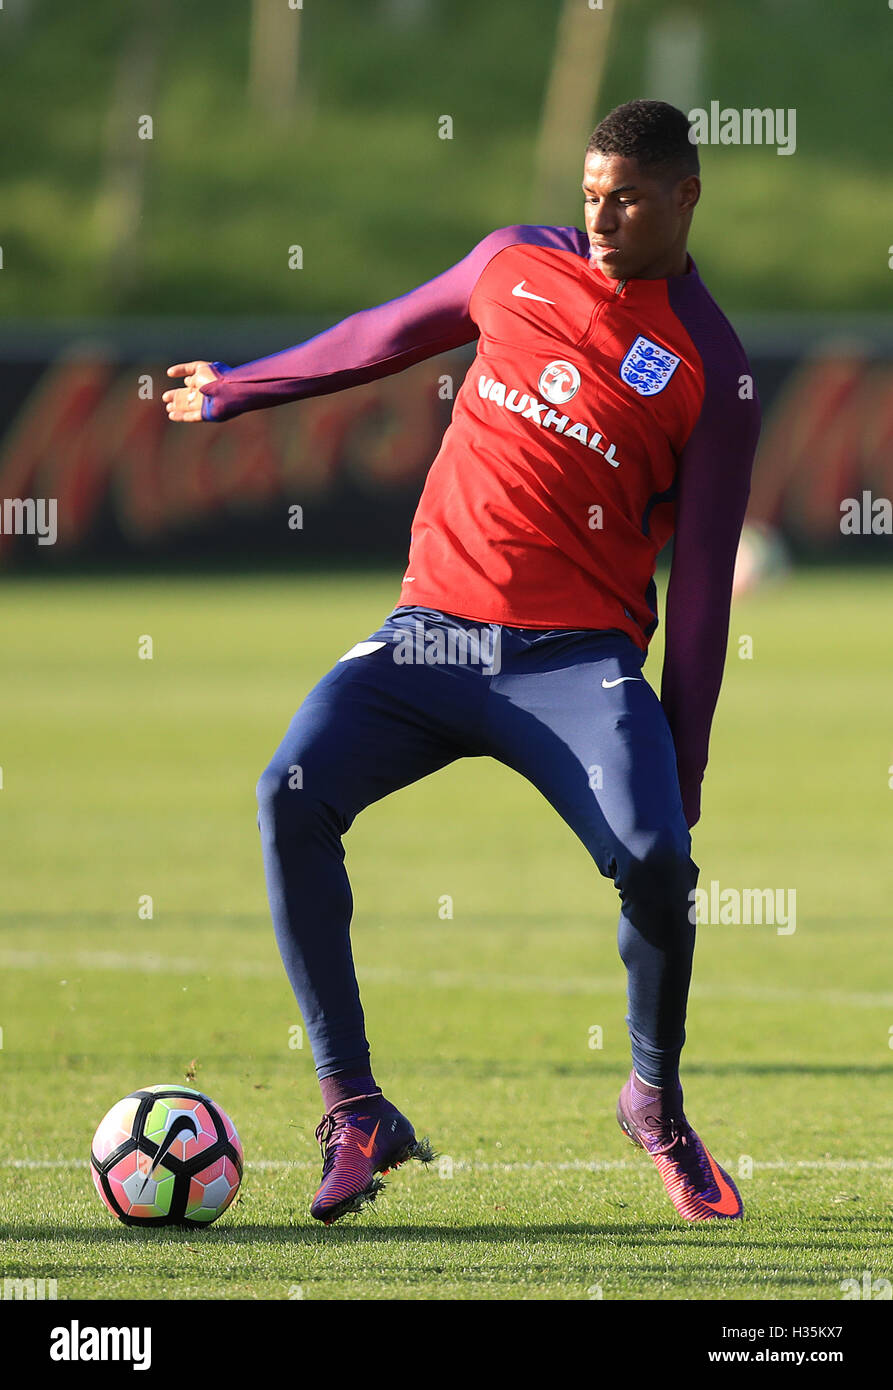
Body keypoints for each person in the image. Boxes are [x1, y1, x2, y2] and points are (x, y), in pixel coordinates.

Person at [164, 99, 761, 1226]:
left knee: (653, 862)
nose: (598, 215)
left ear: (684, 197)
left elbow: (701, 593)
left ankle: (653, 1100)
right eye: (588, 192)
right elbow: (379, 334)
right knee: (289, 792)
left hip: (572, 663)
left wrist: (685, 764)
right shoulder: (509, 265)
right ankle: (354, 1107)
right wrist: (243, 386)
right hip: (427, 635)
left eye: (625, 197)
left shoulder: (710, 370)